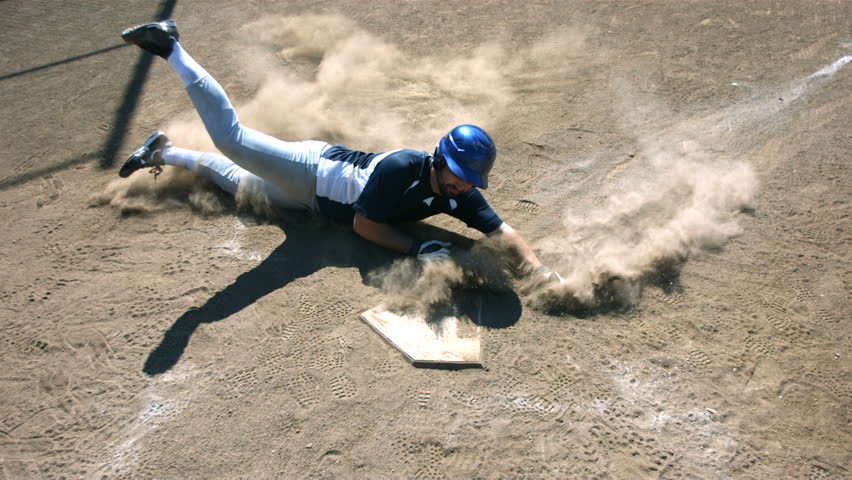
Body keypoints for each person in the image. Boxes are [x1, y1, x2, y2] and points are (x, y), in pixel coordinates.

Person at [119, 20, 563, 283]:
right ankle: (172, 46)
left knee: (235, 182)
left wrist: (536, 268)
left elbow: (502, 230)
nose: (463, 185)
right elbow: (365, 225)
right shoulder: (402, 167)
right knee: (232, 141)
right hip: (309, 172)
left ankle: (164, 152)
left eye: (471, 179)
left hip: (309, 200)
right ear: (440, 158)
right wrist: (415, 247)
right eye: (459, 174)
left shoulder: (460, 192)